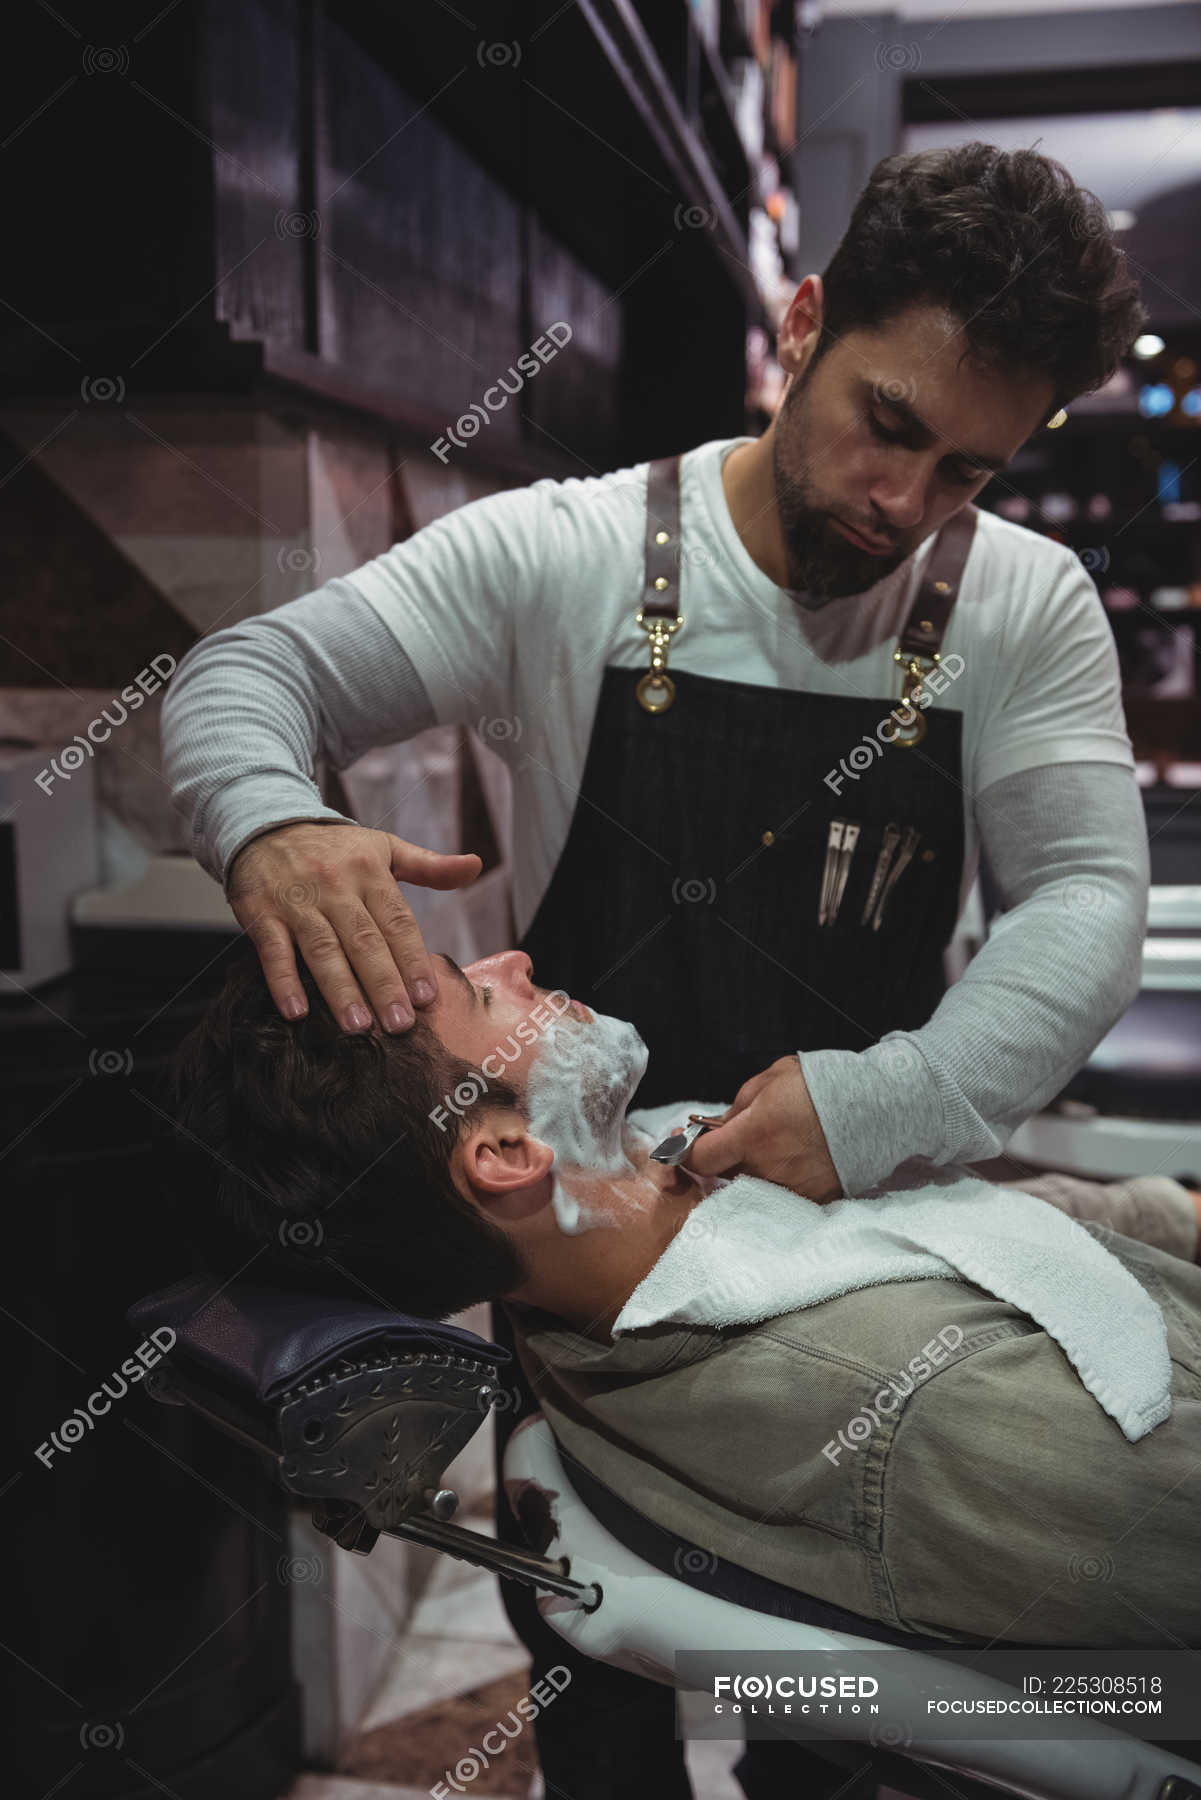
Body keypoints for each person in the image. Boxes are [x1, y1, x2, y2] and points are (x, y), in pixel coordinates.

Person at [161, 143, 1154, 1798]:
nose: (903, 505)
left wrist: (893, 1097)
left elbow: (1084, 909)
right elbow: (253, 676)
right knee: (607, 1699)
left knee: (853, 1726)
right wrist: (271, 822)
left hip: (868, 1250)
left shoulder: (1022, 605)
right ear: (808, 325)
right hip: (599, 1282)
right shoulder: (570, 554)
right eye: (888, 425)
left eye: (967, 472)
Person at [169, 944, 1201, 1666]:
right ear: (504, 1154)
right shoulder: (915, 1409)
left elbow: (976, 1233)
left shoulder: (626, 1225)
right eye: (477, 992)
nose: (518, 963)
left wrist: (1175, 1209)